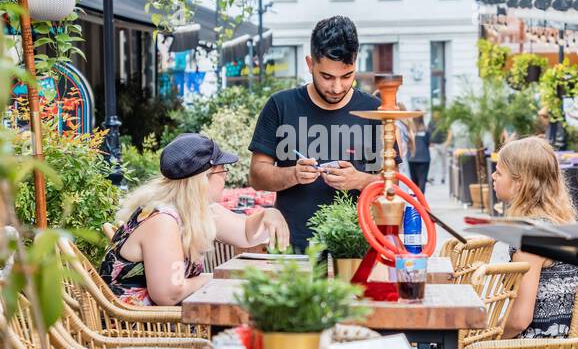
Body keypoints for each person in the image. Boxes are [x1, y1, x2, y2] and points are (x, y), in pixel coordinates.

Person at [99, 133, 289, 306]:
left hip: (165, 321)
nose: (225, 179)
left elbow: (246, 234)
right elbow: (168, 294)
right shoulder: (162, 221)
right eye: (222, 171)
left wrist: (269, 215)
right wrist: (216, 278)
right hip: (139, 329)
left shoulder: (195, 211)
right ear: (203, 179)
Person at [248, 16, 382, 250]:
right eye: (327, 77)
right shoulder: (280, 106)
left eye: (347, 76)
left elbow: (394, 185)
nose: (337, 87)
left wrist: (359, 180)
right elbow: (257, 177)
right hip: (293, 248)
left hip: (357, 248)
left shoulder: (374, 111)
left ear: (356, 64)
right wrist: (293, 174)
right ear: (310, 64)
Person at [491, 136, 578, 338]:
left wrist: (482, 337)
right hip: (566, 348)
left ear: (519, 183)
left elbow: (519, 320)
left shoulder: (530, 238)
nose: (493, 176)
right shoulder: (560, 225)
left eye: (499, 172)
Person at [408, 114, 432, 196]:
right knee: (422, 180)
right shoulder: (426, 130)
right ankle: (421, 200)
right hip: (424, 157)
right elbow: (428, 142)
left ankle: (415, 199)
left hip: (412, 157)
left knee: (414, 181)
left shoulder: (410, 130)